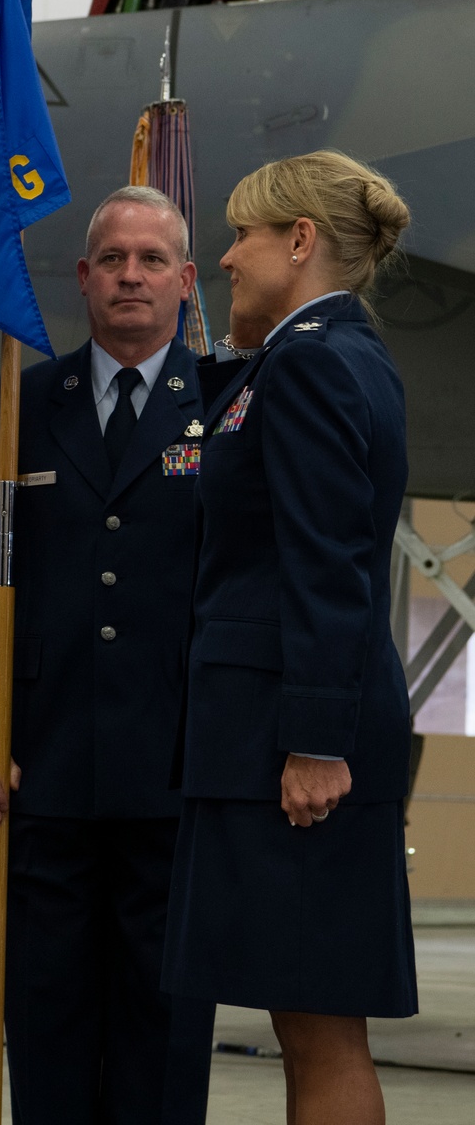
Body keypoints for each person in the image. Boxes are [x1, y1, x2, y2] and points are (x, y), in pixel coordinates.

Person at [0, 186, 216, 1125]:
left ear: (184, 280)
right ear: (83, 276)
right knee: (47, 1033)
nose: (130, 276)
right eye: (113, 259)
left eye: (151, 260)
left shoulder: (223, 409)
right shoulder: (13, 405)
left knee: (166, 1040)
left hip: (176, 783)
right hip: (39, 780)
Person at [163, 150, 417, 1125]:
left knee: (317, 1026)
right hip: (280, 722)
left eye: (242, 234)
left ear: (299, 240)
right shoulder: (324, 353)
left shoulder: (310, 362)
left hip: (294, 736)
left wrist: (315, 739)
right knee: (303, 1017)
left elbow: (325, 558)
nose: (226, 256)